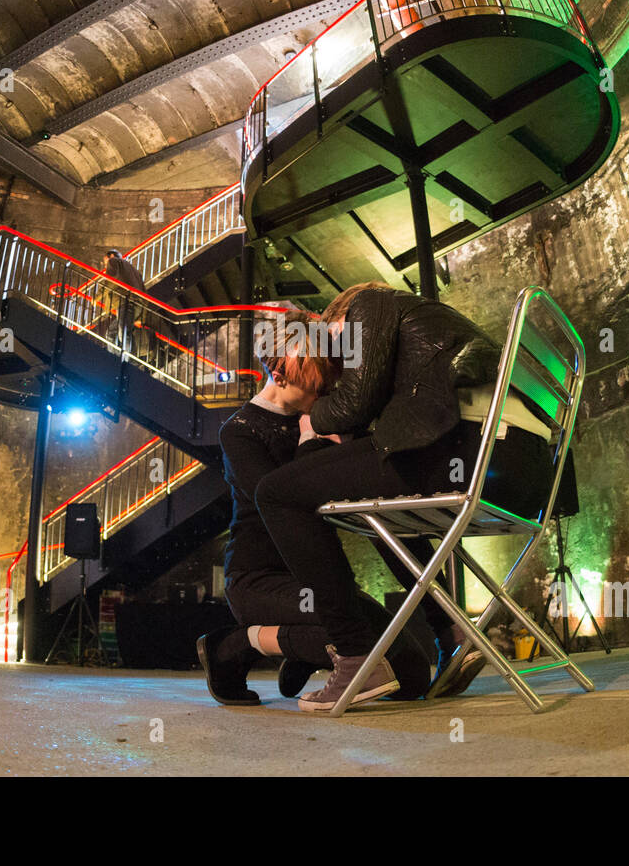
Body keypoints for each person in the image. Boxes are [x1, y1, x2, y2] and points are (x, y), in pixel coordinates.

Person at [254, 283, 578, 712]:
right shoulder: (415, 338)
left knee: (275, 493)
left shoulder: (368, 304)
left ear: (337, 317)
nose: (335, 360)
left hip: (477, 449)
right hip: (522, 467)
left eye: (332, 344)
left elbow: (355, 402)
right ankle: (453, 632)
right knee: (369, 505)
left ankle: (355, 654)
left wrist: (313, 420)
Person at [197, 311, 431, 705]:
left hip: (323, 583)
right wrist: (310, 443)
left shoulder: (323, 417)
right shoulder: (239, 432)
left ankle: (303, 649)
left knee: (411, 675)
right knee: (358, 644)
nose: (326, 396)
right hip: (259, 579)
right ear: (280, 374)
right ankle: (234, 645)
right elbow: (280, 502)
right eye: (316, 387)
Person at [101, 249, 150, 360]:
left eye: (105, 262)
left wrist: (97, 296)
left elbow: (109, 281)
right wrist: (142, 317)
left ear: (111, 256)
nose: (105, 266)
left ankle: (125, 360)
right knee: (111, 333)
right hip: (135, 305)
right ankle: (115, 359)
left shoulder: (113, 261)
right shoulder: (135, 271)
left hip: (125, 302)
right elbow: (145, 294)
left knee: (123, 332)